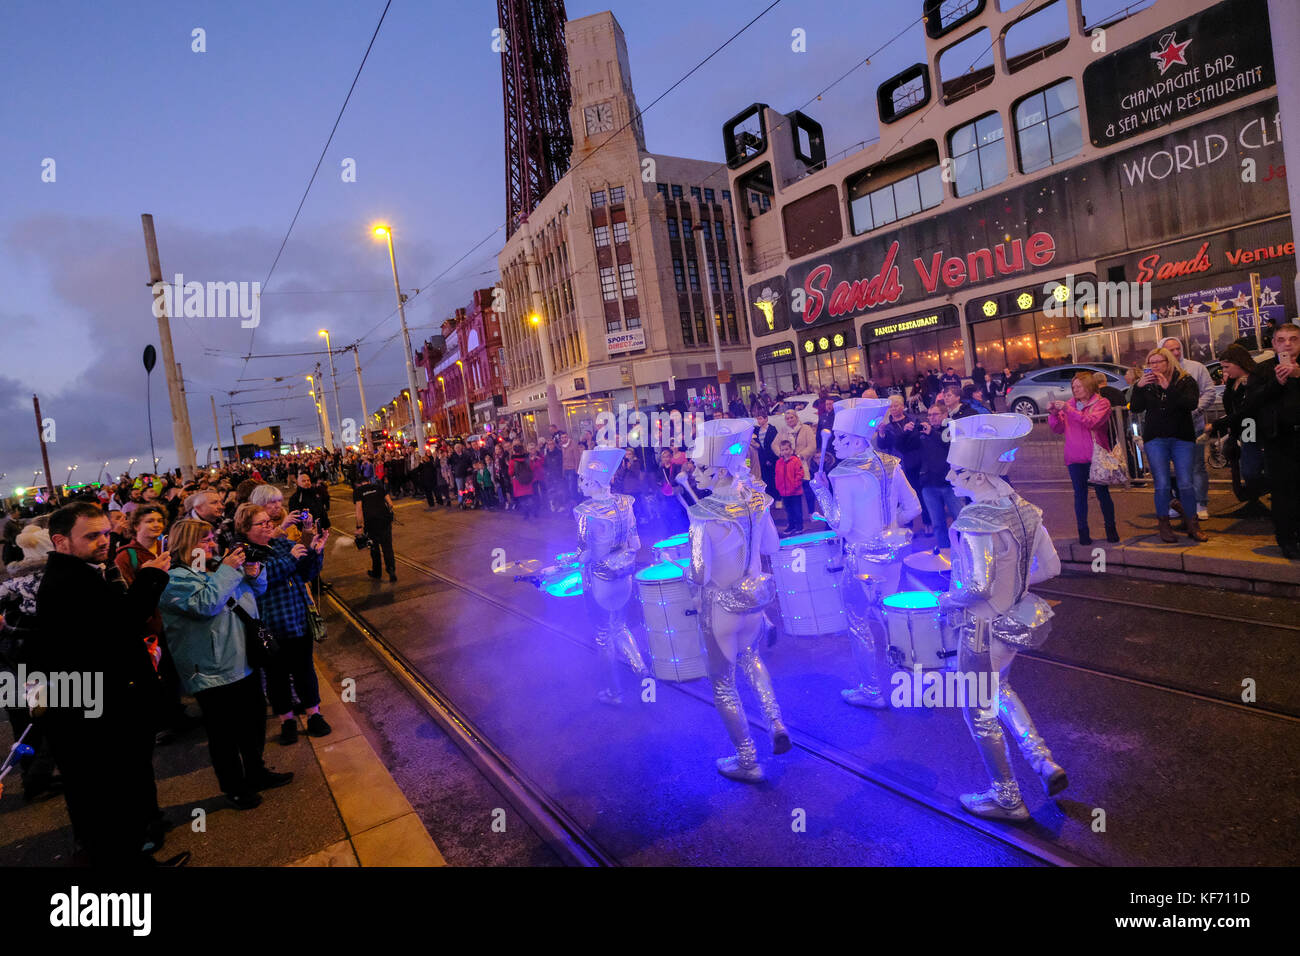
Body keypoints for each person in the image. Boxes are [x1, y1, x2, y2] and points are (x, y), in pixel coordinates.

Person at [34, 501, 180, 866]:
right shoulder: (68, 582)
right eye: (92, 535)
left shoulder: (83, 572)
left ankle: (140, 848)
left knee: (123, 804)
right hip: (98, 720)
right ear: (61, 541)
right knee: (111, 809)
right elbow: (121, 624)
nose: (104, 541)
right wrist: (150, 577)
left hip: (107, 708)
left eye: (106, 533)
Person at [941, 413, 1067, 821]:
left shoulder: (976, 518)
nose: (948, 477)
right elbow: (1050, 568)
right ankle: (1041, 758)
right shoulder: (1026, 509)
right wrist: (1012, 581)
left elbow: (976, 587)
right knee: (1002, 690)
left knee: (978, 710)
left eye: (956, 471)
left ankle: (1007, 797)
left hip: (981, 629)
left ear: (979, 476)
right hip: (1015, 621)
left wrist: (948, 599)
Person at [157, 519, 292, 810]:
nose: (211, 544)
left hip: (243, 659)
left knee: (254, 723)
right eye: (203, 540)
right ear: (185, 544)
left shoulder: (218, 565)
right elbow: (206, 604)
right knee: (224, 734)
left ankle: (256, 771)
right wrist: (230, 570)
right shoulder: (173, 579)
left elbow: (254, 593)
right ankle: (234, 787)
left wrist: (255, 575)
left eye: (211, 538)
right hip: (211, 670)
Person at [683, 418, 789, 782]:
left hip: (720, 610)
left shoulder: (701, 514)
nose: (693, 474)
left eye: (699, 468)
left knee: (723, 684)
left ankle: (747, 759)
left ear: (717, 470)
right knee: (753, 659)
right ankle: (776, 721)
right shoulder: (756, 501)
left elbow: (699, 573)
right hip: (754, 604)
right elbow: (772, 546)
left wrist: (683, 570)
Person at [810, 398, 922, 708]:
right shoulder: (891, 464)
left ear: (859, 439)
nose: (837, 445)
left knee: (859, 623)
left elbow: (841, 526)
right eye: (836, 439)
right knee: (889, 618)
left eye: (843, 439)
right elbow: (913, 508)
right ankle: (910, 681)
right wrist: (887, 529)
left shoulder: (843, 474)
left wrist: (821, 492)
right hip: (892, 557)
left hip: (861, 561)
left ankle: (871, 691)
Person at [238, 503, 330, 745]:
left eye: (269, 522)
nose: (269, 526)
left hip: (296, 619)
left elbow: (305, 573)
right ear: (246, 528)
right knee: (276, 676)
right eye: (262, 523)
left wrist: (316, 553)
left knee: (304, 670)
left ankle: (314, 714)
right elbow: (261, 576)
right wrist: (291, 559)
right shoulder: (244, 552)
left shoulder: (282, 544)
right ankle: (286, 720)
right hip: (269, 626)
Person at [573, 447, 648, 704]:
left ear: (595, 481)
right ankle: (642, 671)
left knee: (603, 635)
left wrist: (569, 561)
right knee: (621, 626)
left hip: (600, 582)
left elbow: (584, 554)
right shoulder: (626, 503)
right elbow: (636, 544)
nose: (580, 484)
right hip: (624, 577)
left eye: (583, 478)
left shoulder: (585, 512)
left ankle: (614, 692)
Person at [1224, 322, 1300, 557]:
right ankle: (1286, 540)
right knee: (1282, 491)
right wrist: (1278, 383)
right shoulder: (1264, 370)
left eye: (1294, 339)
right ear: (1274, 343)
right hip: (1279, 439)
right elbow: (1253, 403)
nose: (1287, 344)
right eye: (1281, 339)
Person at [1129, 347, 1205, 542]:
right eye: (1151, 363)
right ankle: (1164, 525)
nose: (1154, 366)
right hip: (1156, 438)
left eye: (1158, 362)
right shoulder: (1147, 384)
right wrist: (1138, 387)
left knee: (1185, 483)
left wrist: (1168, 389)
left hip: (1181, 437)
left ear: (1168, 362)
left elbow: (1191, 404)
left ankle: (1192, 524)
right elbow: (1136, 407)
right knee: (1161, 484)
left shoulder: (1185, 380)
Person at [1048, 372, 1118, 545]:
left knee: (1103, 494)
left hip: (1096, 457)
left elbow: (1092, 422)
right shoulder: (1070, 404)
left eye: (1079, 386)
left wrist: (1068, 410)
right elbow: (1057, 429)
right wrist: (1054, 414)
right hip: (1075, 458)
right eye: (1073, 387)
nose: (1075, 389)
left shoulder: (1102, 403)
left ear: (1089, 386)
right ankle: (1083, 533)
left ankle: (1111, 529)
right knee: (1080, 495)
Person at [1208, 343, 1269, 517]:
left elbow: (1246, 410)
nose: (1224, 372)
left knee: (1252, 470)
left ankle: (1264, 494)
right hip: (1243, 431)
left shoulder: (1255, 380)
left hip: (1255, 428)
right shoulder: (1233, 383)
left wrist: (1216, 425)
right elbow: (1232, 408)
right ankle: (1253, 500)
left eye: (1227, 367)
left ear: (1239, 363)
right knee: (1246, 469)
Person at [1160, 337, 1215, 520]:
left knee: (1196, 467)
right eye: (1171, 350)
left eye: (1178, 348)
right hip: (1168, 429)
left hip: (1193, 426)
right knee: (1173, 469)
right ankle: (1179, 503)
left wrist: (1195, 409)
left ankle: (1200, 503)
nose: (1176, 353)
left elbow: (1209, 392)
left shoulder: (1196, 368)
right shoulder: (1159, 371)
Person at [875, 394, 924, 533]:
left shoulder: (913, 420)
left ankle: (927, 522)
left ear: (903, 406)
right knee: (901, 496)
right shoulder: (888, 426)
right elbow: (883, 445)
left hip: (915, 461)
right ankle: (907, 526)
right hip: (898, 463)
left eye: (896, 405)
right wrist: (881, 433)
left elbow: (916, 440)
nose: (893, 409)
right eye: (891, 406)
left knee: (918, 492)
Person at [918, 403, 963, 548]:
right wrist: (908, 432)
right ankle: (944, 553)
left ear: (945, 415)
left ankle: (964, 549)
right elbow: (903, 446)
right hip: (929, 485)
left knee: (960, 520)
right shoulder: (923, 433)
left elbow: (948, 446)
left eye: (935, 414)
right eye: (929, 415)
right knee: (937, 523)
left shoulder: (951, 429)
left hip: (950, 485)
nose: (932, 418)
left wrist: (932, 433)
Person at [353, 474, 397, 581]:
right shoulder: (378, 487)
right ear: (368, 481)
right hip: (384, 521)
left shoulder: (358, 491)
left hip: (371, 523)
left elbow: (359, 510)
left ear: (359, 484)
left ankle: (377, 572)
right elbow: (390, 504)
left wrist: (359, 526)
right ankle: (391, 569)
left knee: (374, 548)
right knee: (387, 547)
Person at [782, 409, 818, 519]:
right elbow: (774, 444)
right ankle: (797, 517)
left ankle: (812, 513)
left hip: (804, 464)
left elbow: (812, 446)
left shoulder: (806, 429)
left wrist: (801, 455)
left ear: (796, 417)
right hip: (790, 466)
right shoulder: (784, 431)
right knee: (794, 493)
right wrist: (782, 453)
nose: (790, 420)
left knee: (808, 489)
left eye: (791, 417)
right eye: (787, 418)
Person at [774, 439, 805, 536]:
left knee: (797, 510)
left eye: (786, 449)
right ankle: (791, 525)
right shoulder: (779, 462)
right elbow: (777, 475)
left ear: (791, 450)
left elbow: (800, 475)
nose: (784, 452)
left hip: (795, 492)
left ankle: (799, 526)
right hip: (784, 492)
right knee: (789, 510)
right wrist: (778, 487)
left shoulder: (796, 461)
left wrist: (795, 486)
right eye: (782, 450)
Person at [752, 411, 779, 496]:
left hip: (772, 458)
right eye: (757, 419)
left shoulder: (772, 430)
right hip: (762, 459)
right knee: (765, 478)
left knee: (773, 478)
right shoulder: (756, 430)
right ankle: (769, 496)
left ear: (766, 419)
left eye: (760, 418)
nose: (758, 421)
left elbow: (774, 445)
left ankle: (777, 497)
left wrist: (770, 458)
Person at [509, 443, 539, 517]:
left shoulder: (512, 461)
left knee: (522, 499)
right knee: (529, 497)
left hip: (518, 482)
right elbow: (532, 468)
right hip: (528, 481)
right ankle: (534, 512)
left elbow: (510, 473)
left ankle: (526, 514)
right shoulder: (527, 459)